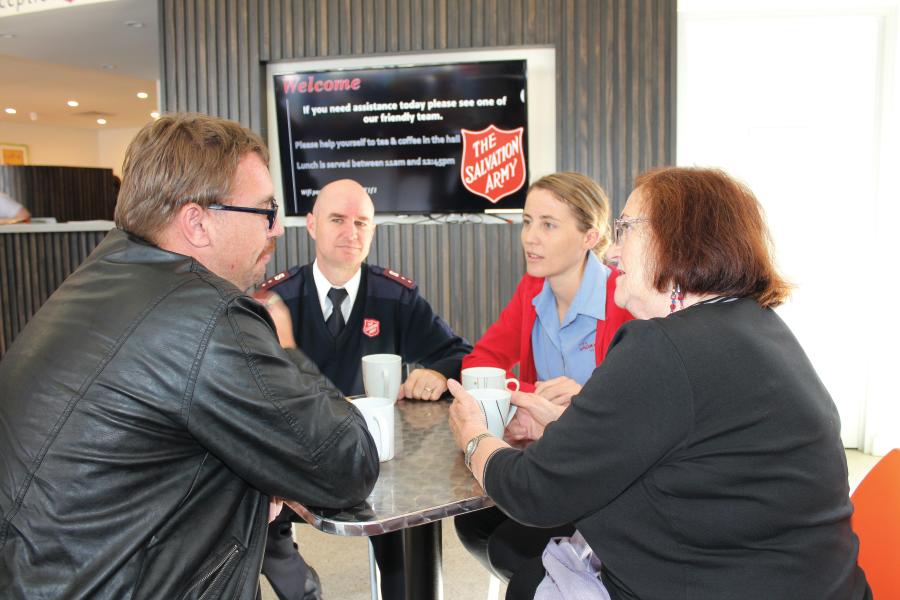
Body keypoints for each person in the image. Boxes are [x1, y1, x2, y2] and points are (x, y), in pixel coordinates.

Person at [0, 113, 379, 599]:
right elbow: (345, 463)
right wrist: (285, 348)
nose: (278, 229)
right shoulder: (205, 318)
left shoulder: (96, 278)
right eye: (264, 211)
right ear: (197, 222)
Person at [448, 166, 871, 599]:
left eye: (626, 229)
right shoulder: (757, 326)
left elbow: (532, 493)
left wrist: (474, 435)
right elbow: (688, 449)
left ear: (677, 239)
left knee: (530, 581)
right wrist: (567, 429)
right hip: (811, 583)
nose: (613, 253)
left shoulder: (664, 346)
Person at [258, 178, 472, 600]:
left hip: (375, 459)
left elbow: (460, 354)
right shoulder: (276, 300)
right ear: (312, 224)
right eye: (338, 219)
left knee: (405, 535)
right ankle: (294, 577)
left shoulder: (395, 296)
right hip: (294, 459)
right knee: (247, 505)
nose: (351, 233)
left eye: (362, 222)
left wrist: (435, 371)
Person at [453, 172, 632, 582]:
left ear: (591, 236)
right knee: (471, 524)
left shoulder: (624, 295)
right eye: (527, 221)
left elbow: (638, 410)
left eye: (548, 225)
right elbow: (480, 361)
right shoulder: (532, 288)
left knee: (507, 546)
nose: (530, 237)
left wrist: (586, 397)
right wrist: (532, 395)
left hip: (603, 479)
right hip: (548, 463)